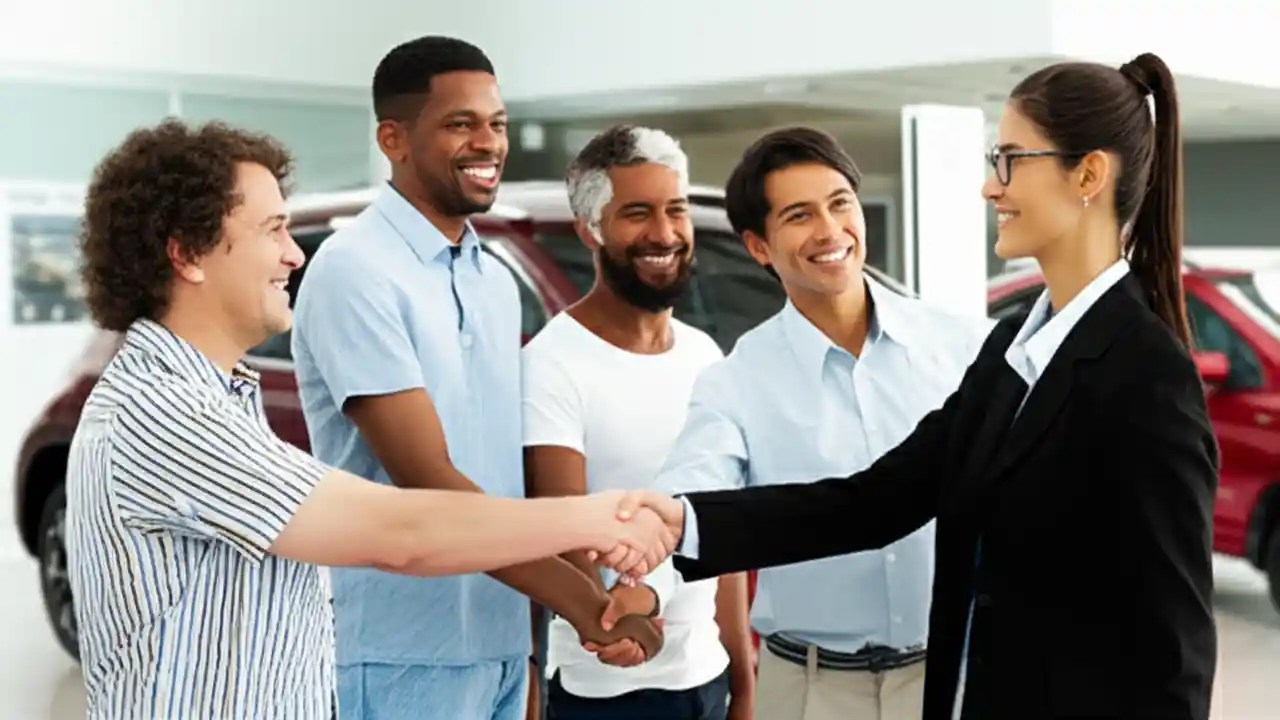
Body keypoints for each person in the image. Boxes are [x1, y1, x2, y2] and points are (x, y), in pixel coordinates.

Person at [615, 52, 1220, 720]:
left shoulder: (1147, 377)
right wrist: (685, 523)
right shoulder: (1011, 351)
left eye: (1011, 160)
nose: (992, 188)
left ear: (1088, 174)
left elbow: (1173, 654)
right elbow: (876, 501)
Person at [63, 118, 672, 720]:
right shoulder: (161, 413)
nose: (293, 254)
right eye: (272, 230)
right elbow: (400, 535)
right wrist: (592, 519)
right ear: (187, 254)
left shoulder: (212, 400)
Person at [289, 36, 659, 720]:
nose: (488, 143)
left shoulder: (491, 279)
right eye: (461, 124)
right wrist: (583, 603)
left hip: (497, 643)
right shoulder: (355, 270)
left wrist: (585, 596)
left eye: (498, 124)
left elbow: (506, 476)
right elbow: (429, 479)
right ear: (393, 139)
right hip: (398, 650)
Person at [651, 126, 992, 720]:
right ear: (759, 246)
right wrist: (642, 588)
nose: (830, 231)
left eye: (840, 204)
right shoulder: (736, 380)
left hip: (951, 676)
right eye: (800, 215)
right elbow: (687, 500)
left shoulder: (964, 347)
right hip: (812, 690)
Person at [522, 124, 756, 720]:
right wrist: (615, 625)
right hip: (605, 688)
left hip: (706, 677)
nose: (664, 233)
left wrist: (742, 676)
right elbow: (561, 527)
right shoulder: (552, 363)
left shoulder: (705, 355)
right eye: (637, 213)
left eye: (675, 210)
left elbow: (719, 527)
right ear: (590, 230)